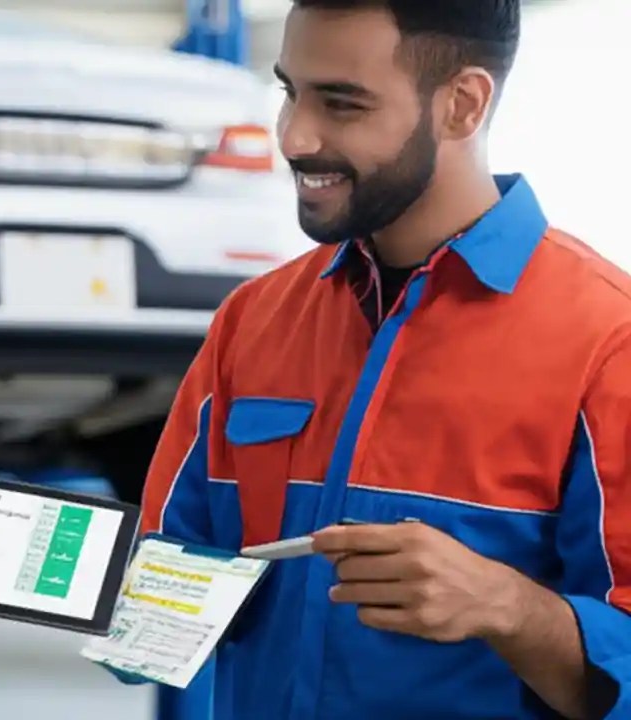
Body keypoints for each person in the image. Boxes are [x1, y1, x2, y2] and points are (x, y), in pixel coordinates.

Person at [129, 0, 631, 718]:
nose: (295, 136)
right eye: (289, 91)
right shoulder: (253, 321)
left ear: (462, 104)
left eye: (342, 104)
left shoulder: (610, 343)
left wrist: (510, 608)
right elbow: (155, 596)